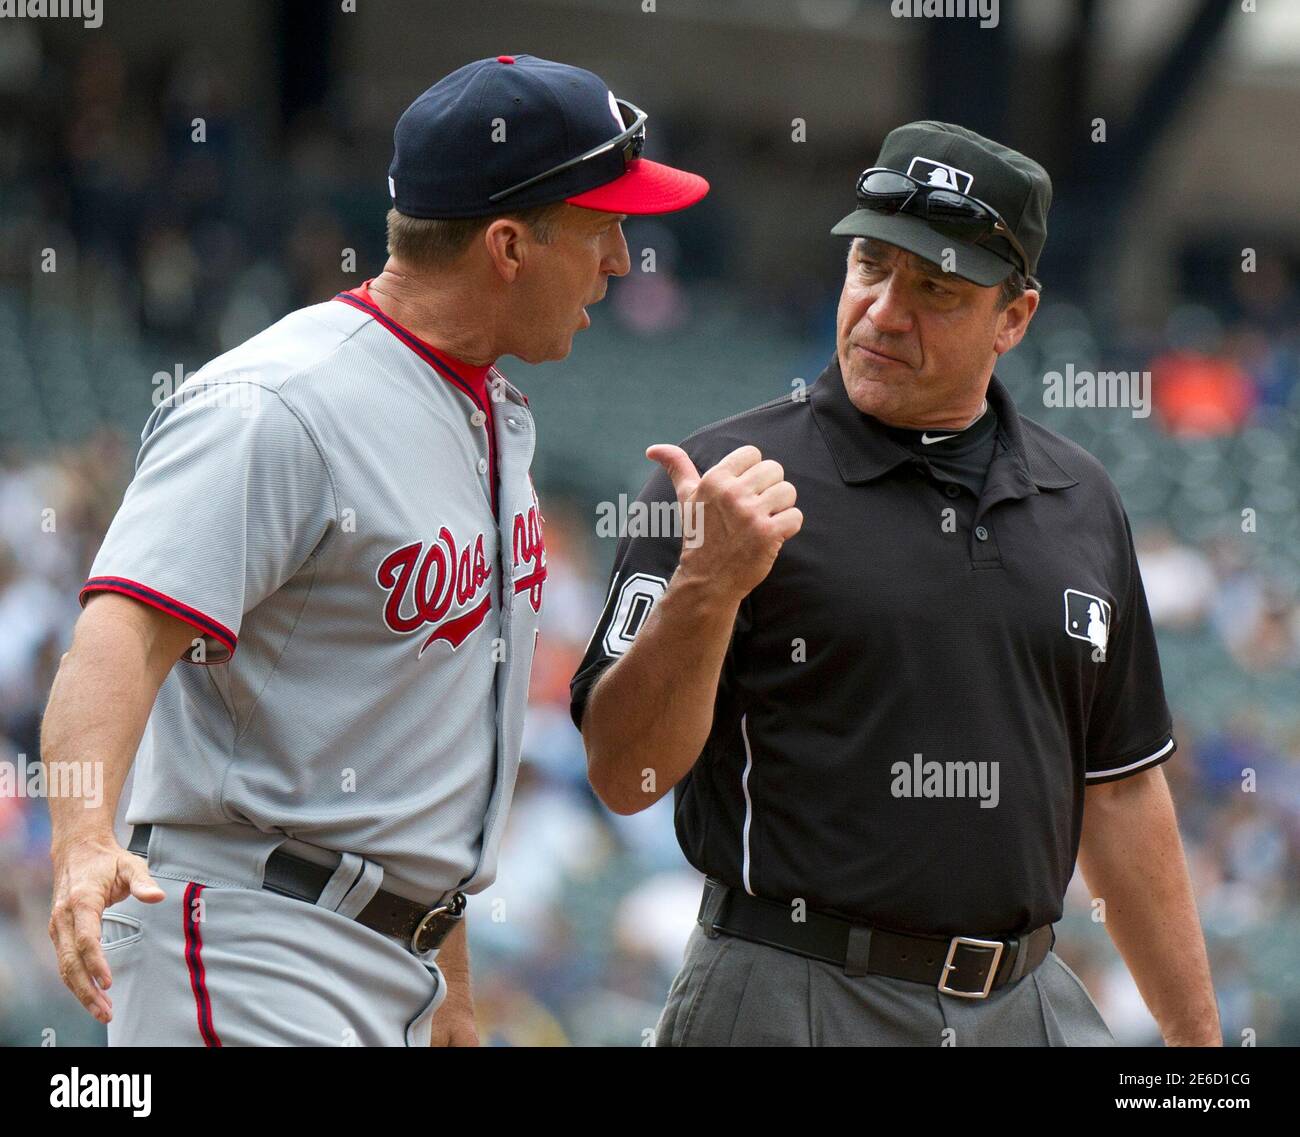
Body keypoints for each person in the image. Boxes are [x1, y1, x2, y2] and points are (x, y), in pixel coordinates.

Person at [42, 53, 707, 1046]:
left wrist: (451, 982)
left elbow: (417, 745)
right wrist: (81, 839)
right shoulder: (277, 404)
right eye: (603, 224)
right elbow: (121, 637)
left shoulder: (491, 415)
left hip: (390, 961)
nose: (620, 259)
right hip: (252, 942)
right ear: (509, 245)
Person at [570, 121, 1220, 1046]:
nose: (883, 309)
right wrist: (706, 587)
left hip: (1024, 998)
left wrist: (1198, 1049)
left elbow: (1119, 791)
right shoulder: (724, 478)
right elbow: (622, 771)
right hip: (790, 991)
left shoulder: (1081, 500)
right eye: (870, 263)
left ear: (1015, 318)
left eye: (937, 288)